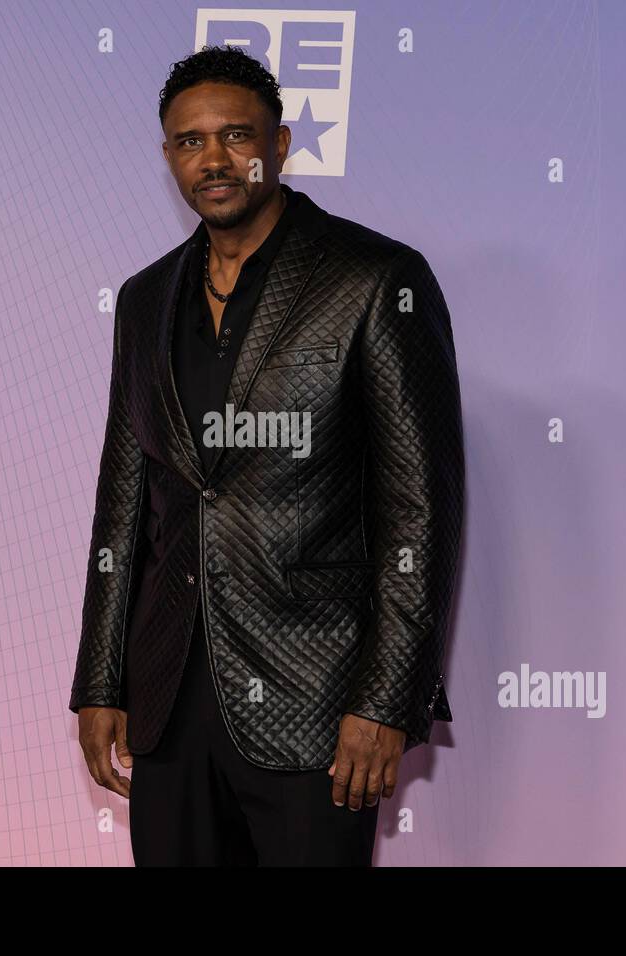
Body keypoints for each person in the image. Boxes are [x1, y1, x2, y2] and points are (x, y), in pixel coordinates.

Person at [69, 45, 463, 866]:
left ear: (279, 146)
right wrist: (102, 682)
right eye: (189, 141)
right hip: (170, 700)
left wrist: (385, 701)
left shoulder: (373, 278)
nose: (213, 159)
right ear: (168, 156)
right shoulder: (145, 299)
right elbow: (124, 498)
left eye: (235, 136)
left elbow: (420, 512)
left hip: (318, 699)